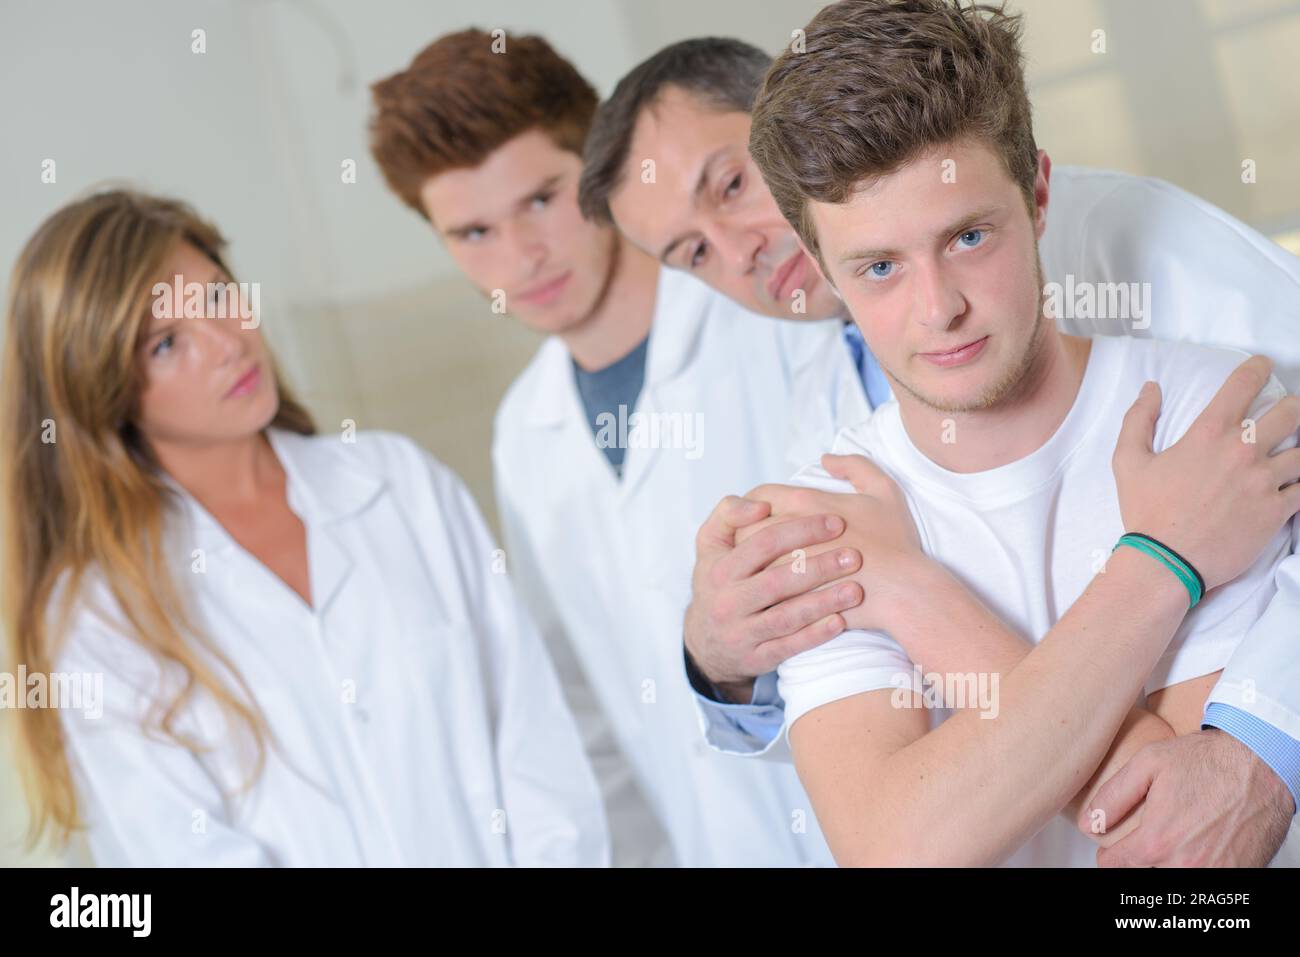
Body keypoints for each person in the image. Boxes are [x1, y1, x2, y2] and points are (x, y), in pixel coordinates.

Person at [579, 27, 1300, 864]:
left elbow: (1167, 838)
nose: (739, 250)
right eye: (693, 251)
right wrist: (729, 663)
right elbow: (893, 831)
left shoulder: (1161, 283)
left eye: (732, 185)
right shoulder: (830, 446)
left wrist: (1264, 743)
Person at [0, 190, 607, 866]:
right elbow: (179, 850)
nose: (227, 343)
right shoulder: (102, 613)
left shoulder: (397, 483)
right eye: (167, 343)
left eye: (215, 297)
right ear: (102, 390)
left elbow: (534, 741)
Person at [368, 30, 844, 866]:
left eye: (542, 199)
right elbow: (583, 705)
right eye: (473, 233)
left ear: (595, 172)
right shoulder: (525, 432)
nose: (521, 256)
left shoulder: (774, 315)